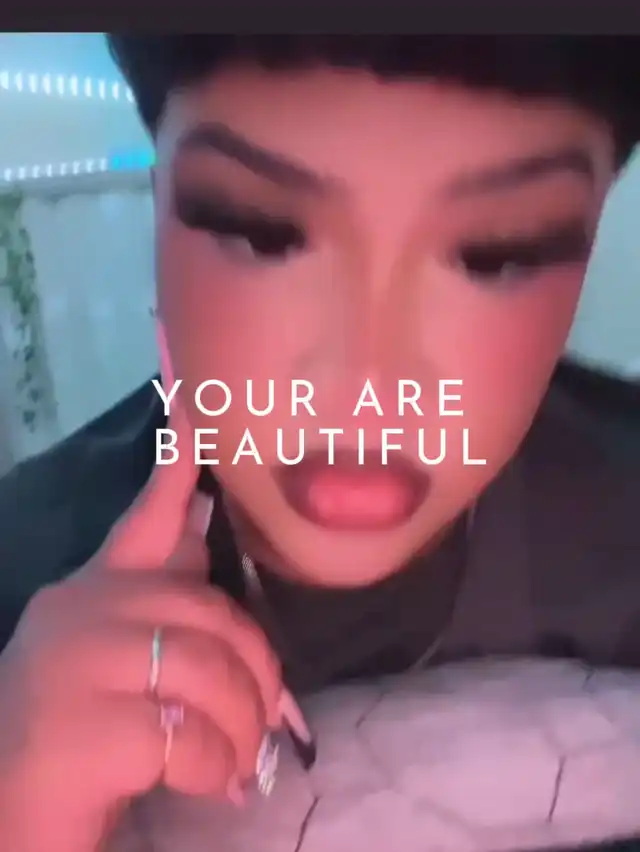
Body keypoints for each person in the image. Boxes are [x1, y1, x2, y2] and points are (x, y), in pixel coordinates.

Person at [0, 34, 639, 852]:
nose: (368, 381)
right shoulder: (21, 573)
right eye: (261, 232)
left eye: (497, 252)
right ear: (159, 202)